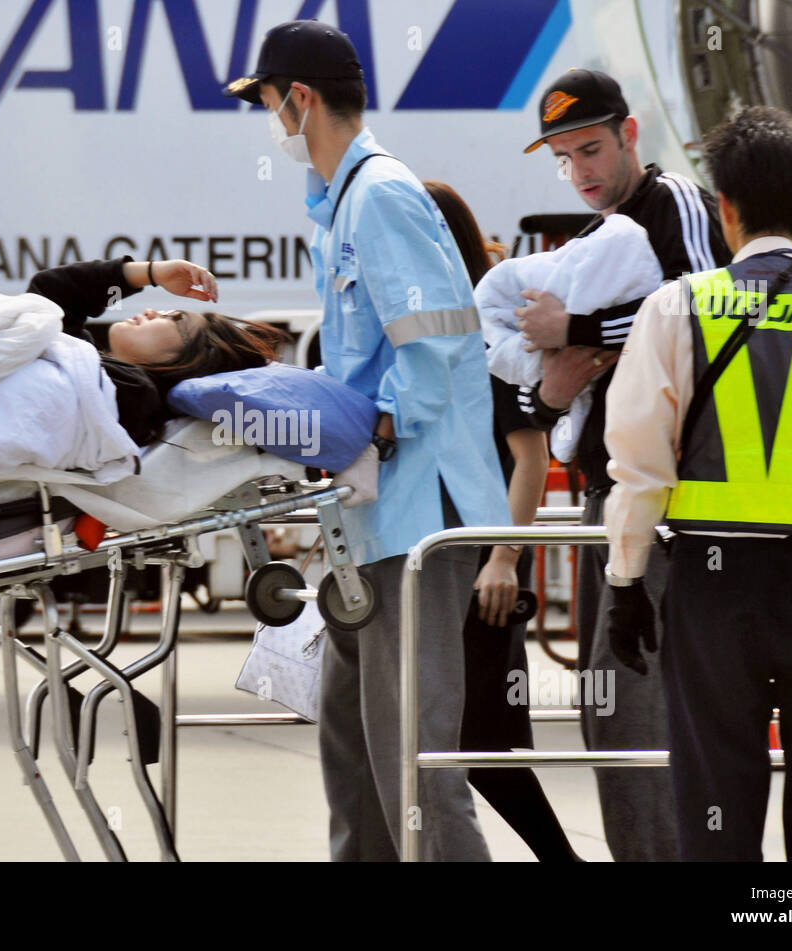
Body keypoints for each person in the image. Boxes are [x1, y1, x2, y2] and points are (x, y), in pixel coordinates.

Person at [225, 20, 511, 861]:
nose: (272, 122)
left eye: (272, 104)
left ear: (301, 99)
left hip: (418, 511)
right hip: (373, 516)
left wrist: (368, 429)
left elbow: (435, 349)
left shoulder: (379, 197)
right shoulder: (345, 204)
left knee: (412, 760)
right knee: (351, 750)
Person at [603, 105, 792, 860]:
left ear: (724, 209)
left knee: (716, 800)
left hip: (715, 586)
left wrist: (625, 580)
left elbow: (638, 466)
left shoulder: (675, 307)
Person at [516, 68, 731, 861]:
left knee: (629, 706)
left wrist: (575, 326)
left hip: (672, 498)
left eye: (594, 148)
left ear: (631, 134)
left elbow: (708, 311)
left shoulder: (669, 203)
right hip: (618, 493)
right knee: (614, 705)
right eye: (566, 157)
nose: (582, 170)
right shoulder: (597, 237)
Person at [425, 180, 581, 861]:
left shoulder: (490, 329)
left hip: (477, 572)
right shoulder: (423, 326)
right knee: (464, 741)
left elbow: (530, 457)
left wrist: (502, 560)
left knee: (476, 743)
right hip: (431, 564)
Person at [25, 256, 290, 447]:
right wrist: (152, 273)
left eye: (174, 318)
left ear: (187, 362)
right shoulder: (98, 372)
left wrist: (151, 274)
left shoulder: (133, 396)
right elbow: (50, 294)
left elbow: (48, 303)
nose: (153, 311)